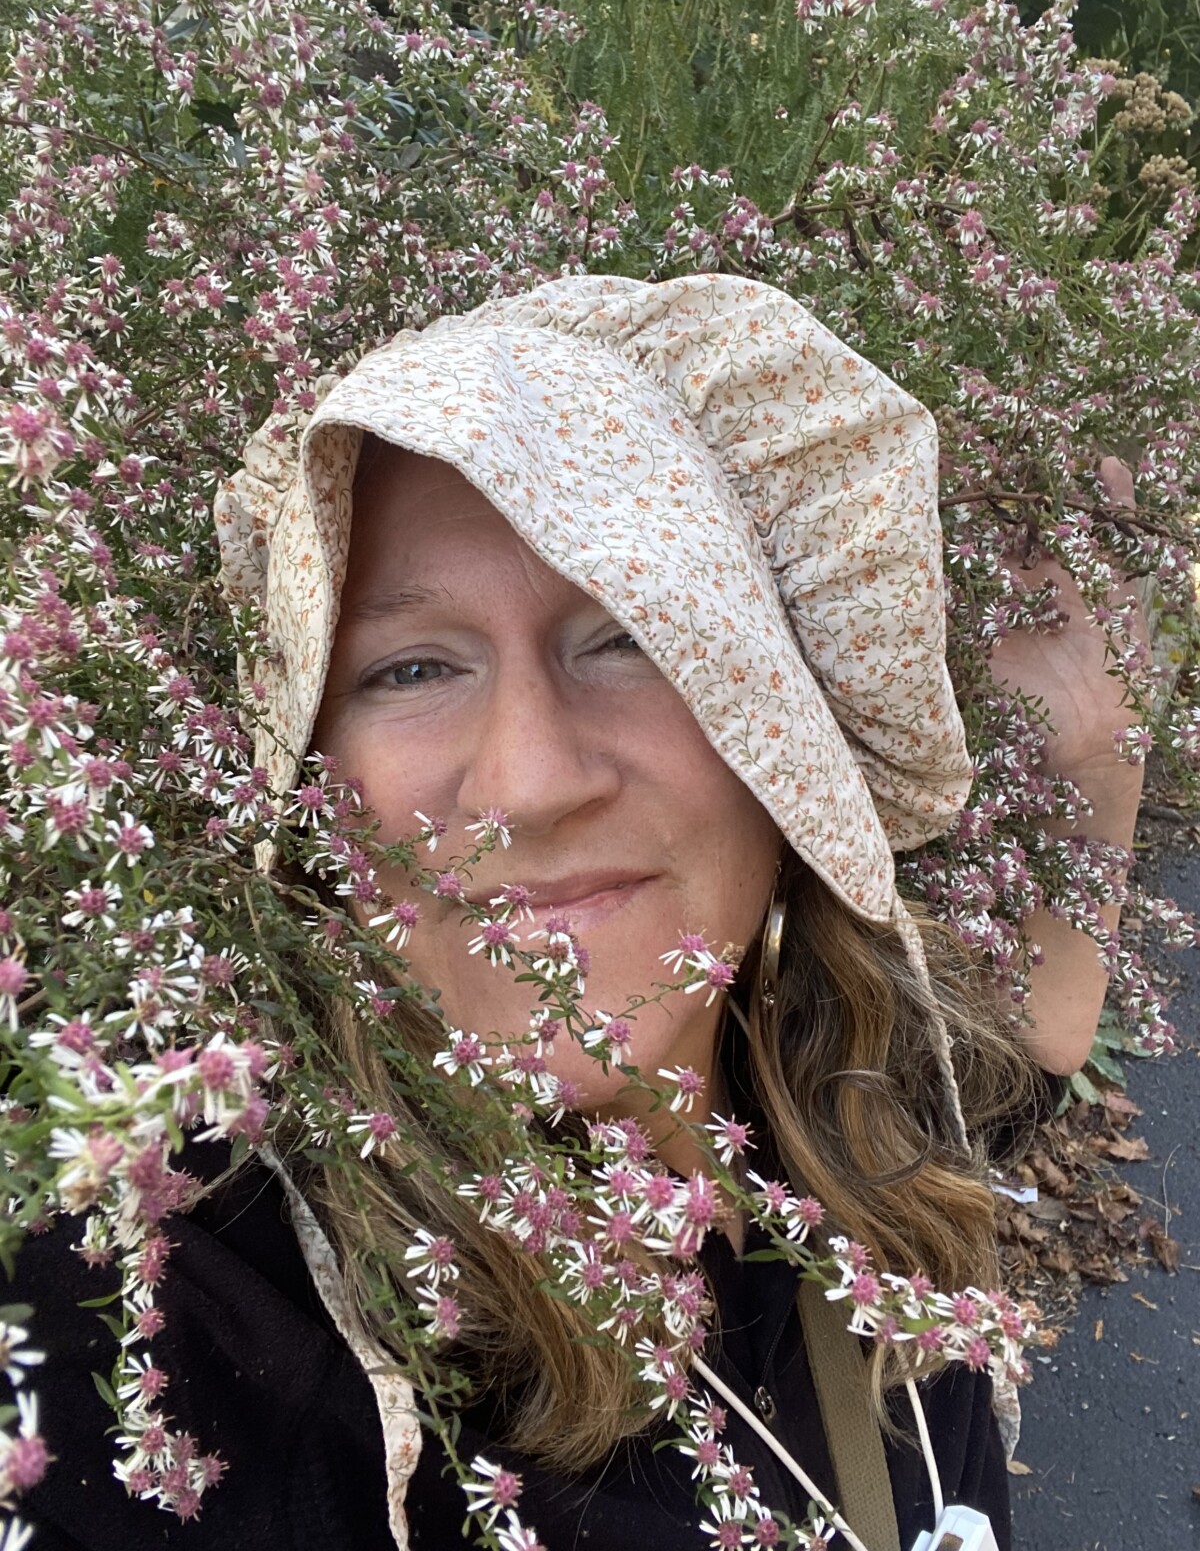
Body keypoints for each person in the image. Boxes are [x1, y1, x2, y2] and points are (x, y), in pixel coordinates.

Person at [13, 274, 1142, 1551]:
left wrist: (1097, 771)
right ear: (305, 776)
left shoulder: (846, 1070)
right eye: (412, 668)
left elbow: (1034, 1047)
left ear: (784, 726)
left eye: (633, 635)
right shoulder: (190, 1299)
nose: (534, 782)